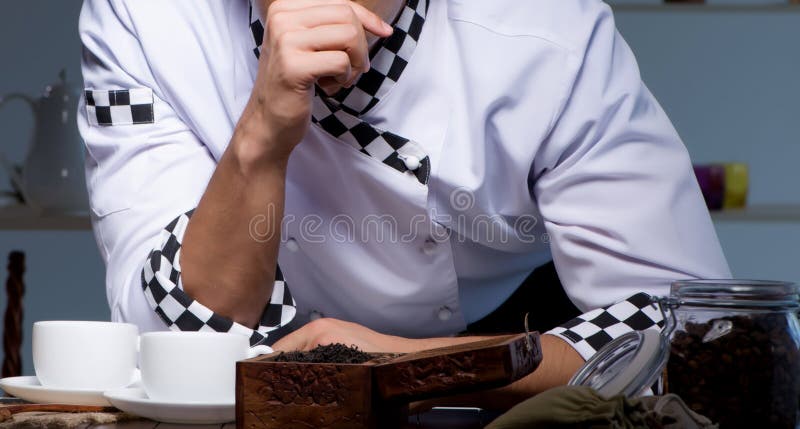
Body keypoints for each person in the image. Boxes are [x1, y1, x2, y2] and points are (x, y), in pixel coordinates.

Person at [77, 0, 730, 407]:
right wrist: (263, 132)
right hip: (266, 358)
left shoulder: (549, 28)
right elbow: (171, 345)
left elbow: (692, 335)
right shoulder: (144, 18)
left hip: (520, 342)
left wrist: (399, 361)